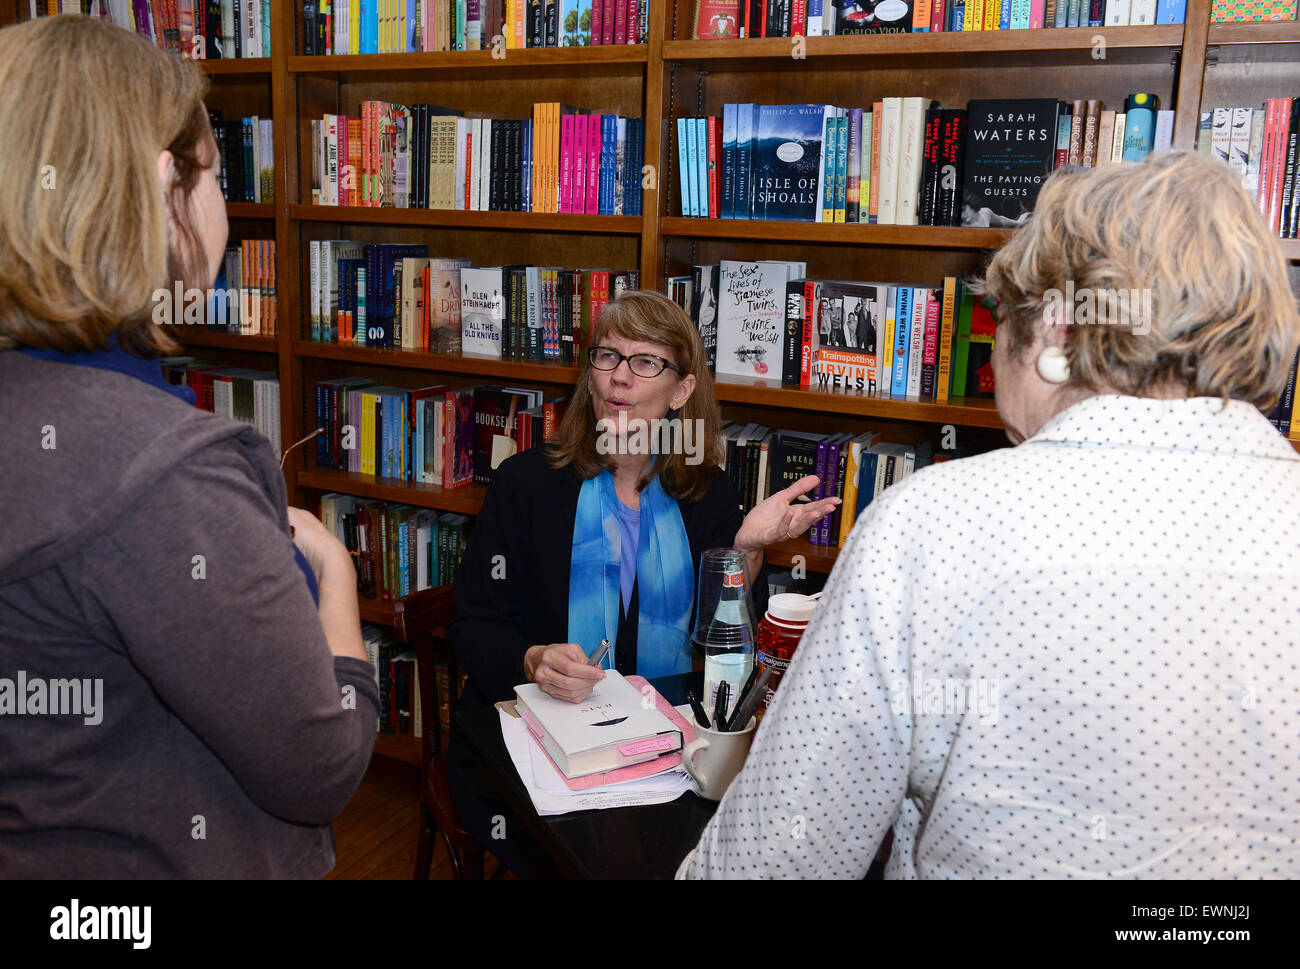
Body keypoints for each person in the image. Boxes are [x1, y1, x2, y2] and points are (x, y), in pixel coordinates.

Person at [682, 148, 1300, 878]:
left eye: (1002, 316)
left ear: (1059, 333)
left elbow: (769, 862)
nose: (992, 354)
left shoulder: (933, 528)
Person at [0, 15, 377, 878]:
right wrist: (340, 584)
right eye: (216, 175)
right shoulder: (166, 468)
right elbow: (318, 765)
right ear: (166, 182)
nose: (227, 208)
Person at [446, 289, 838, 877]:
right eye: (608, 356)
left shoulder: (707, 491)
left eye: (645, 362)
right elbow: (472, 627)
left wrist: (747, 552)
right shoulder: (524, 485)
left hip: (672, 746)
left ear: (681, 391)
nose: (618, 379)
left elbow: (727, 644)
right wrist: (532, 659)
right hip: (535, 741)